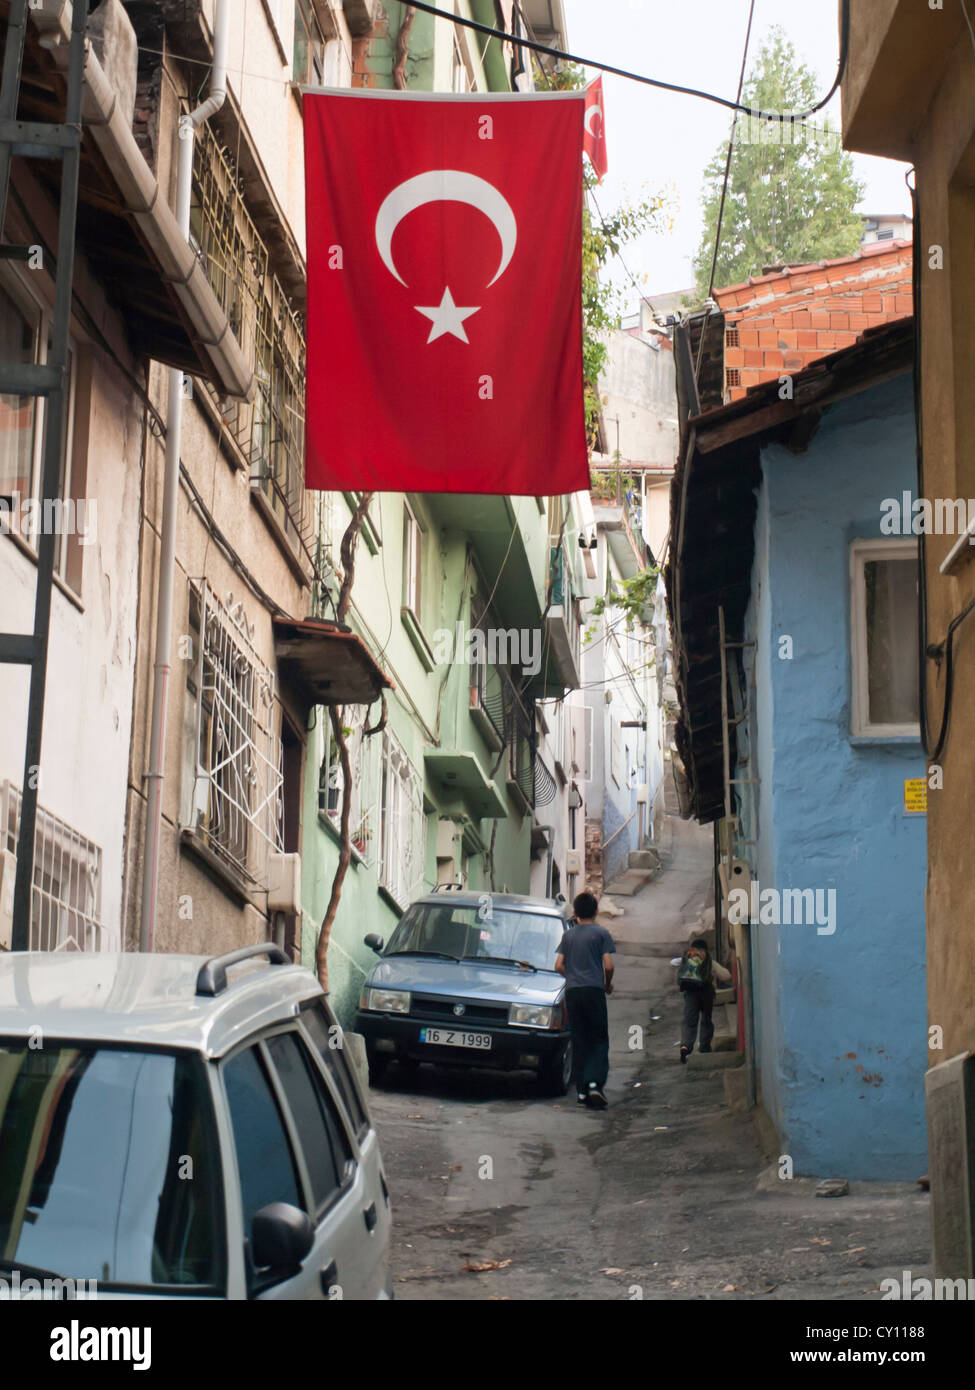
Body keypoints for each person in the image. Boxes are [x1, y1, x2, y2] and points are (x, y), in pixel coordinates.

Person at [554, 891, 615, 1109]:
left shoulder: (568, 936)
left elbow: (558, 965)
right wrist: (607, 984)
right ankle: (594, 1084)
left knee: (579, 1039)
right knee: (598, 1038)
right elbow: (608, 965)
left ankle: (581, 1092)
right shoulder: (601, 934)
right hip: (593, 991)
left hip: (573, 992)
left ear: (576, 913)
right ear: (596, 912)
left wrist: (572, 977)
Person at [677, 937, 731, 1062]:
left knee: (689, 1021)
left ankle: (685, 1046)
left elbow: (680, 977)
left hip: (690, 994)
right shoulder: (710, 962)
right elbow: (726, 976)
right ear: (706, 950)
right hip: (706, 994)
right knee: (706, 1020)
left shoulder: (688, 961)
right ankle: (704, 1047)